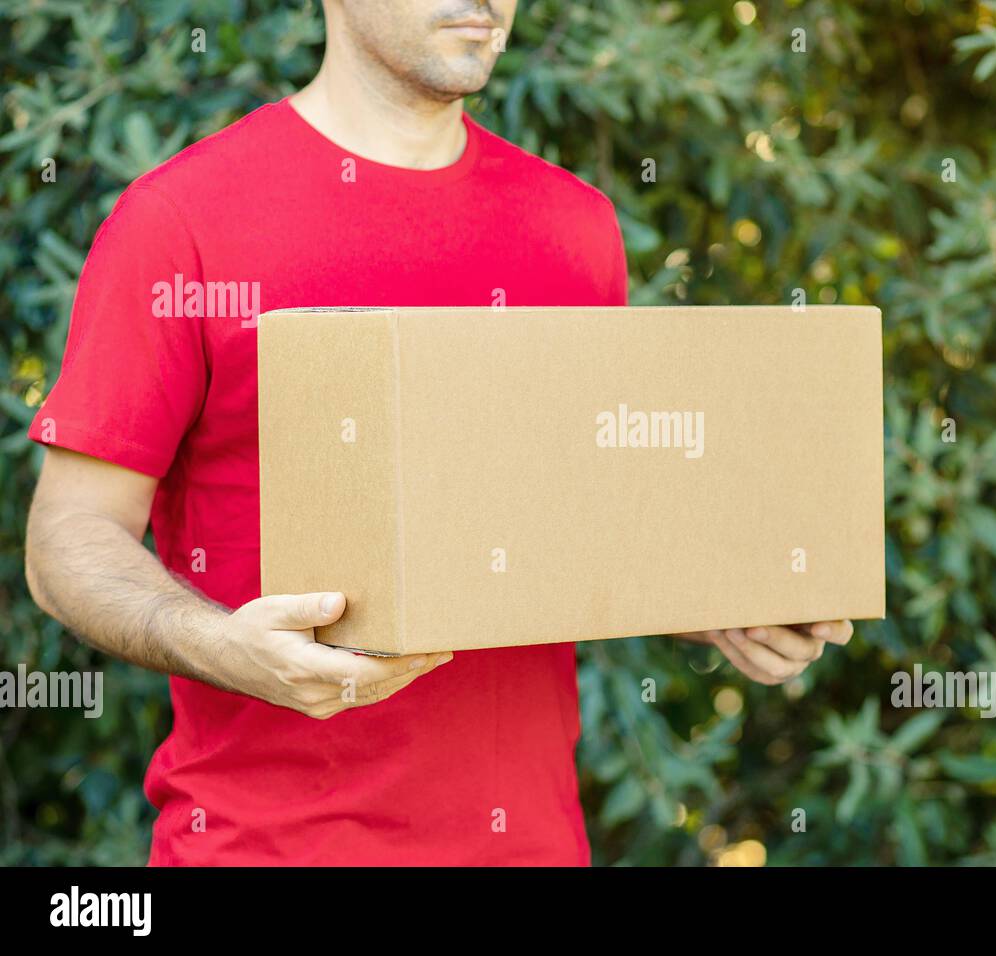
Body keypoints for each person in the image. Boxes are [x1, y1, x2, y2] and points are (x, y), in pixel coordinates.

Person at [23, 0, 854, 865]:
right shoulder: (181, 218)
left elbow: (576, 534)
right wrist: (220, 646)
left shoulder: (574, 228)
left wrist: (722, 605)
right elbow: (68, 537)